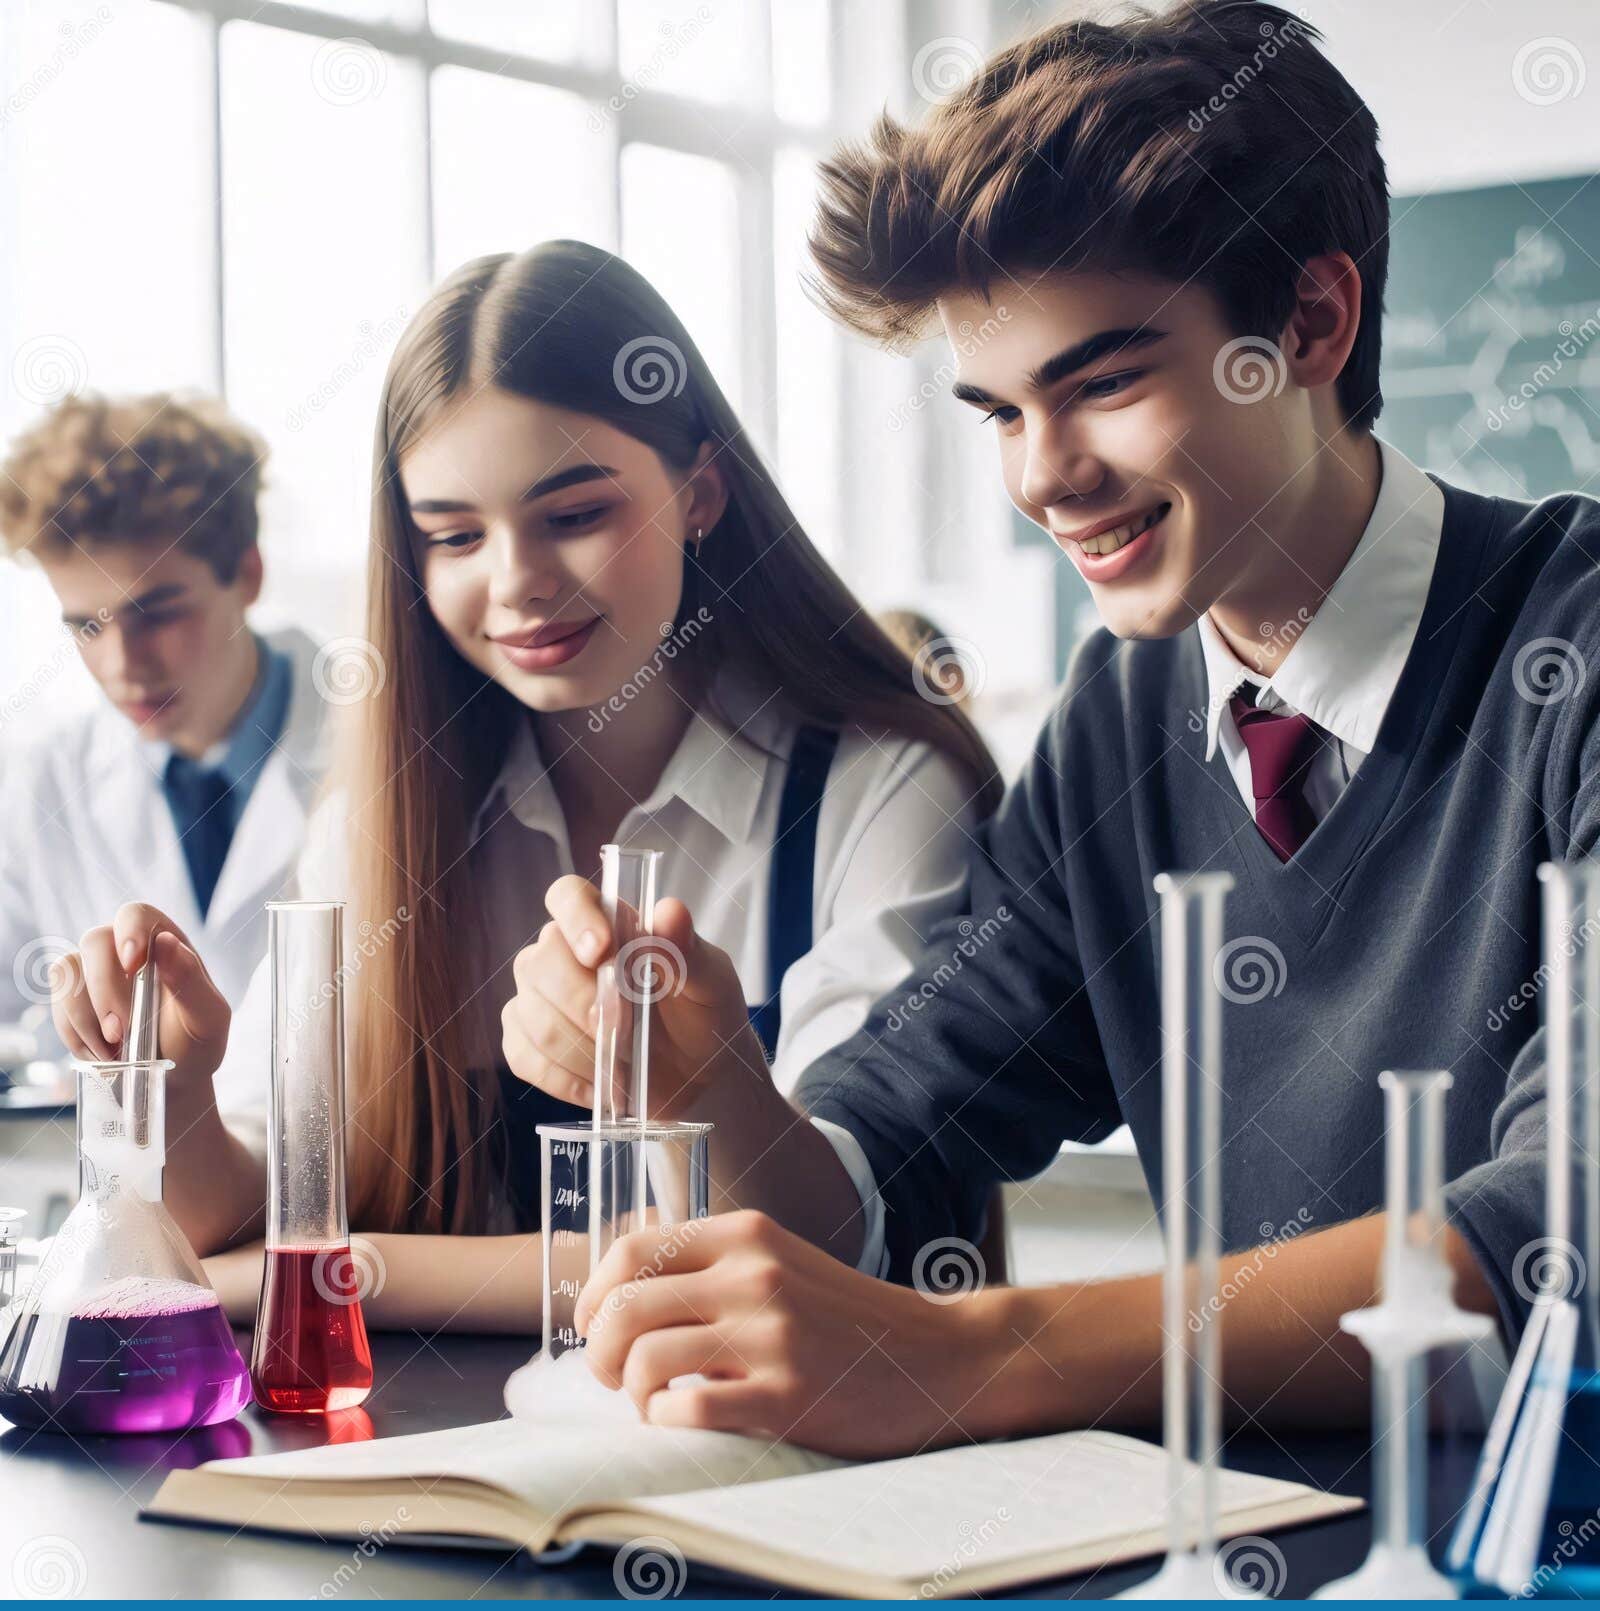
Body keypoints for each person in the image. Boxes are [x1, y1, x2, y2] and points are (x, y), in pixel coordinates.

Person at [525, 0, 1598, 1458]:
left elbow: (1564, 1240)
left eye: (1102, 383)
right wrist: (709, 1085)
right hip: (1236, 1551)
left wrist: (966, 1354)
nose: (1043, 477)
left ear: (1311, 323)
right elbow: (892, 1152)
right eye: (1000, 413)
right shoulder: (1122, 711)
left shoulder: (1574, 651)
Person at [51, 243, 998, 1331]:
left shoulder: (879, 790)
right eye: (455, 536)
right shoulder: (382, 818)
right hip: (460, 1432)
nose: (517, 583)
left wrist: (356, 1267)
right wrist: (174, 1091)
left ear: (699, 494)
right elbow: (243, 1208)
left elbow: (834, 1247)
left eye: (575, 514)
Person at [0, 393, 328, 1045]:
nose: (123, 664)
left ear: (248, 574)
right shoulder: (46, 784)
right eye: (86, 627)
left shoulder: (381, 745)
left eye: (157, 613)